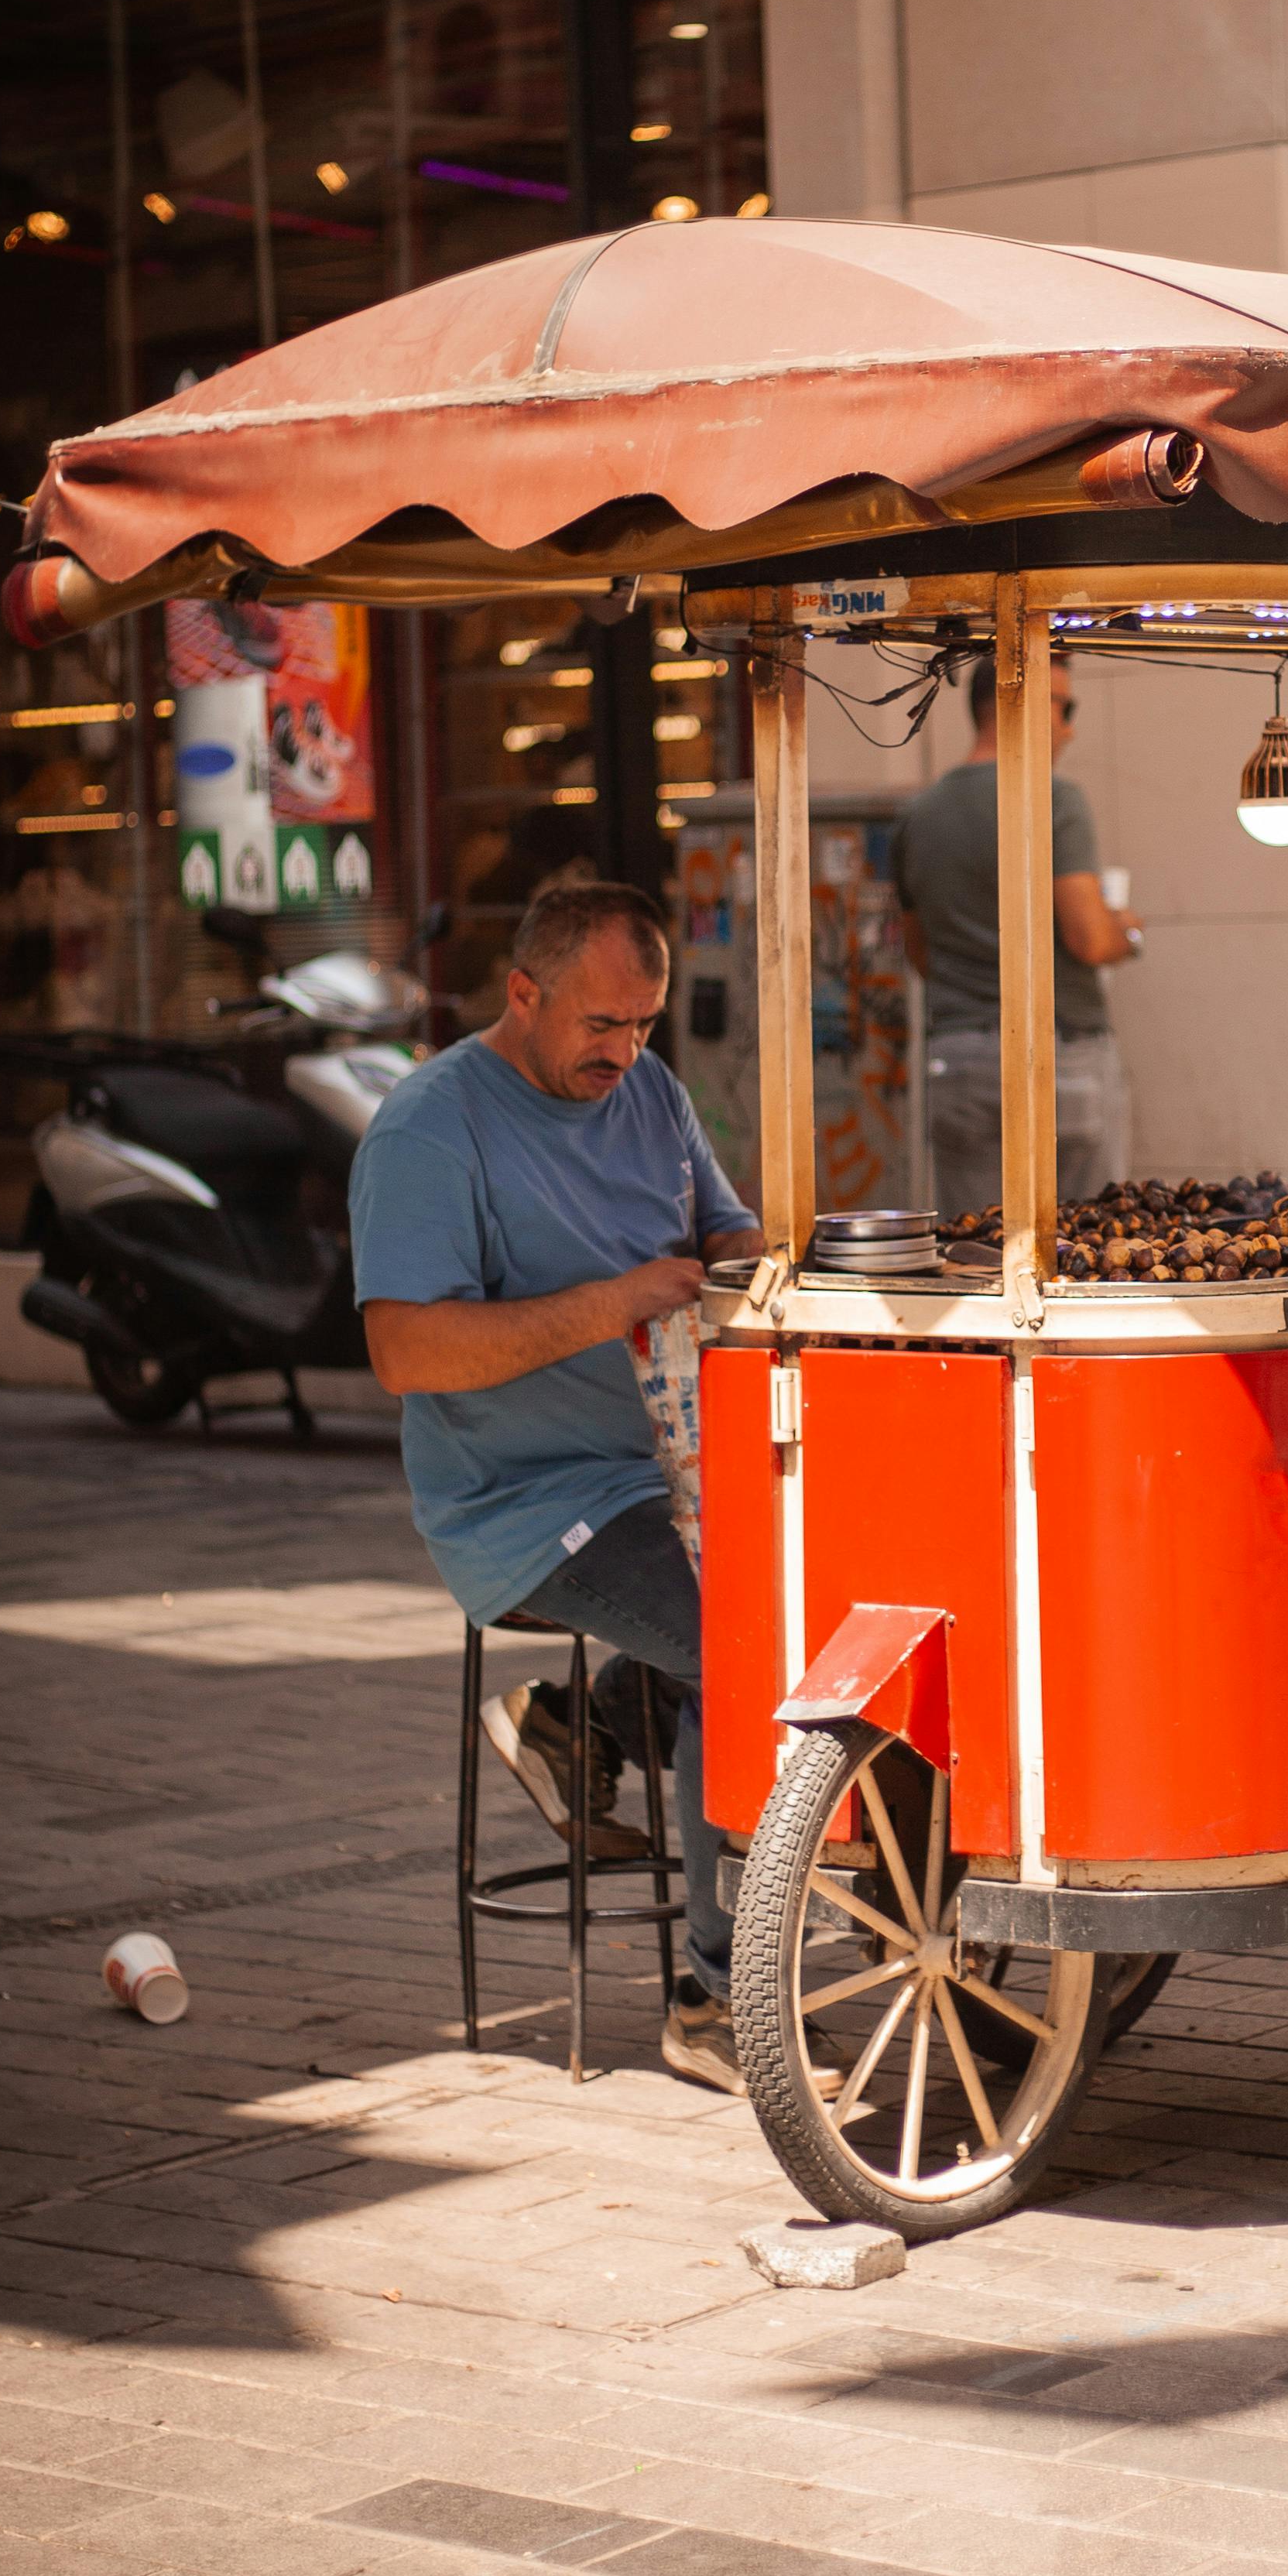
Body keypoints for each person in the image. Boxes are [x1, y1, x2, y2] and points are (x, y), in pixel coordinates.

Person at [350, 879, 759, 2091]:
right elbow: (402, 1353)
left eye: (644, 1024)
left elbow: (722, 1228)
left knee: (822, 1595)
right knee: (734, 1649)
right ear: (521, 994)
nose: (625, 1052)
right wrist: (613, 1300)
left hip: (666, 1468)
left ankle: (578, 1723)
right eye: (600, 1025)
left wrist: (770, 1258)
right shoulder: (429, 1127)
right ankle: (715, 1995)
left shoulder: (653, 1095)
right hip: (520, 1501)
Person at [892, 652, 1145, 1220]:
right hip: (1058, 1055)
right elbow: (1088, 938)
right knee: (1085, 1250)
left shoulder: (918, 815)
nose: (1071, 728)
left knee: (979, 1251)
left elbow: (919, 950)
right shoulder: (1056, 800)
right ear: (1025, 703)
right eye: (1065, 708)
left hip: (956, 1060)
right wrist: (1126, 933)